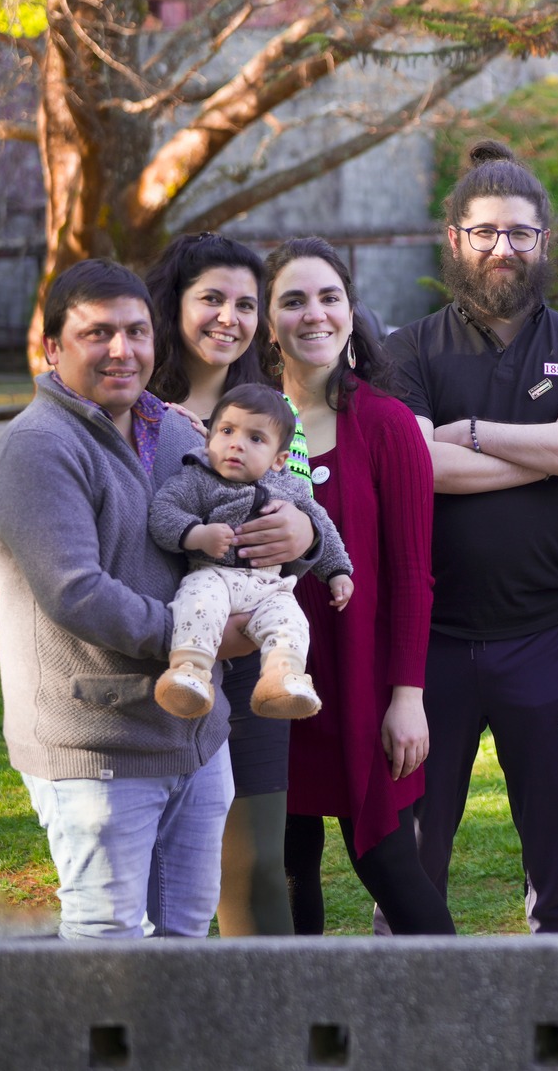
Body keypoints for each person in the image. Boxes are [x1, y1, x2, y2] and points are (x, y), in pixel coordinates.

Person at [0, 260, 311, 939]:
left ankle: (173, 1052)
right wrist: (198, 638)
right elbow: (77, 592)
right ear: (52, 347)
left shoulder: (180, 436)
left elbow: (251, 513)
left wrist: (302, 536)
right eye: (96, 332)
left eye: (136, 331)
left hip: (196, 740)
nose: (121, 349)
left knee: (187, 936)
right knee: (107, 941)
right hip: (97, 747)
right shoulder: (38, 446)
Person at [381, 141, 558, 932]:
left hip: (548, 632)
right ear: (455, 238)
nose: (502, 249)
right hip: (429, 640)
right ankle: (409, 1012)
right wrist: (545, 450)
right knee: (413, 847)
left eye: (520, 233)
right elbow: (418, 469)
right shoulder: (409, 348)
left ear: (544, 241)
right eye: (485, 233)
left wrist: (475, 432)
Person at [267, 237, 455, 937]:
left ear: (350, 311)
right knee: (287, 868)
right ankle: (301, 1026)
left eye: (328, 297)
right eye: (293, 300)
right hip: (268, 683)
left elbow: (412, 573)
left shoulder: (384, 422)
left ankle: (457, 1022)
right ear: (268, 321)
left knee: (387, 866)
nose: (313, 314)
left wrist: (407, 697)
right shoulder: (248, 426)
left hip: (363, 684)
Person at [145, 231, 314, 937]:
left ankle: (271, 1036)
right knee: (150, 873)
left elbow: (300, 518)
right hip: (147, 658)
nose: (229, 317)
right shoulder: (137, 409)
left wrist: (303, 537)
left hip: (249, 665)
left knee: (254, 865)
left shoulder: (277, 416)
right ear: (173, 304)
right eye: (211, 297)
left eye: (246, 304)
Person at [147, 383, 351, 720]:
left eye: (255, 439)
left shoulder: (289, 486)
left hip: (269, 586)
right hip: (213, 573)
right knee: (198, 606)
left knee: (292, 623)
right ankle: (190, 672)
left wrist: (338, 571)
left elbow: (322, 524)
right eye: (226, 431)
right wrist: (196, 535)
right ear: (209, 437)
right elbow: (164, 512)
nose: (236, 444)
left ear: (279, 459)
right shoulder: (198, 477)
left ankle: (281, 678)